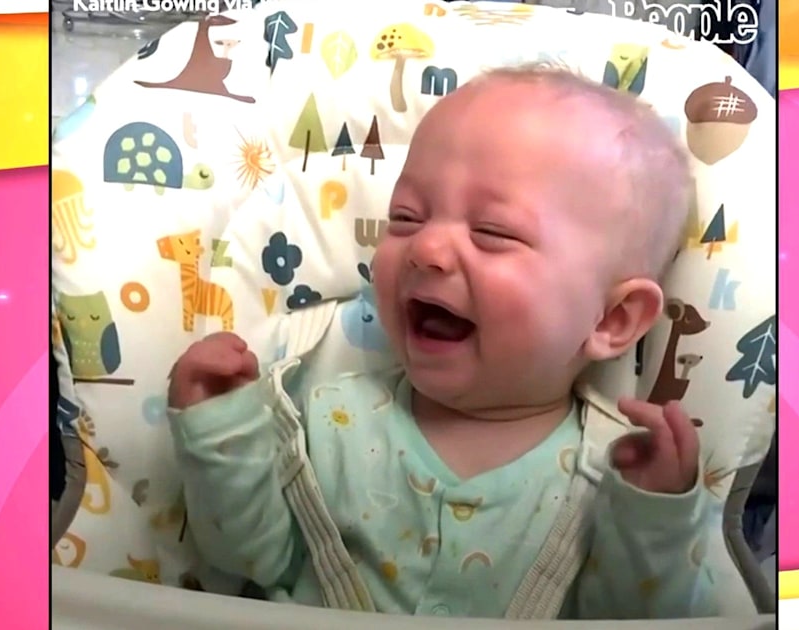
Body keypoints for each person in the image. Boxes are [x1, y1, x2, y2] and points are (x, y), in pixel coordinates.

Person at [166, 66, 717, 619]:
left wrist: (654, 519)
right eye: (406, 218)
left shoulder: (619, 472)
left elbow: (629, 618)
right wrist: (222, 431)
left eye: (492, 232)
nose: (426, 248)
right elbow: (250, 559)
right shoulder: (329, 414)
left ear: (613, 319)